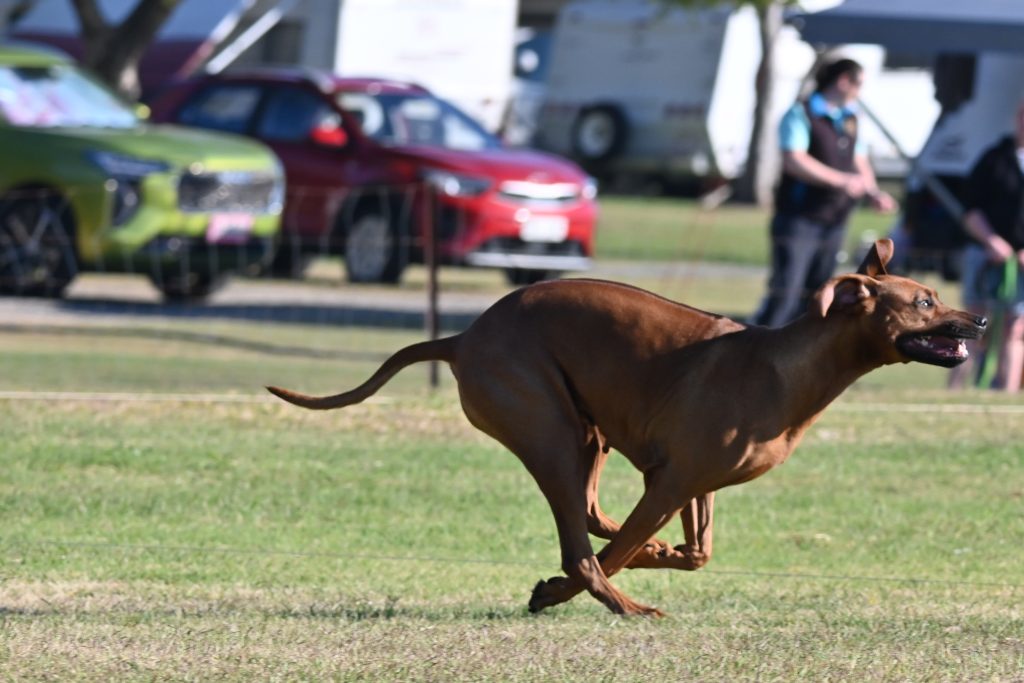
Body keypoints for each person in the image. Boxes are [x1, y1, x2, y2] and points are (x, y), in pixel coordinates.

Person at [752, 57, 898, 328]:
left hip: (834, 220)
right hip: (799, 218)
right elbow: (794, 160)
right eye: (859, 84)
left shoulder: (850, 118)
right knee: (787, 292)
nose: (860, 91)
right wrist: (840, 181)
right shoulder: (802, 113)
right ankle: (759, 348)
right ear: (843, 81)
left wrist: (873, 191)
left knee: (819, 292)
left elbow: (859, 160)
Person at [949, 103, 1024, 392]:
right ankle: (955, 389)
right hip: (986, 253)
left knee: (1014, 328)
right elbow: (971, 208)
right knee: (973, 323)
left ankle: (1005, 391)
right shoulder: (994, 159)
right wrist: (991, 240)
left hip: (1020, 261)